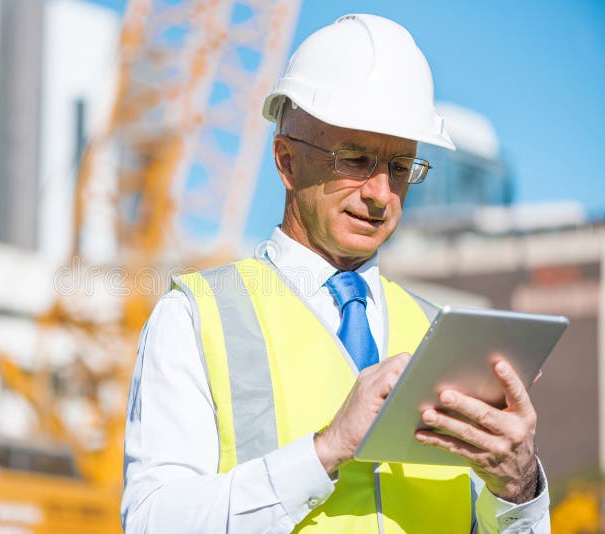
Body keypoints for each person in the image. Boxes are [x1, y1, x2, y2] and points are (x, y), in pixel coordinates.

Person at [121, 13, 550, 533]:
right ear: (286, 161)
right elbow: (152, 523)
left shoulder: (442, 332)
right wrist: (324, 452)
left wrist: (520, 487)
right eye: (354, 158)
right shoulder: (195, 317)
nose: (379, 194)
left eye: (399, 168)